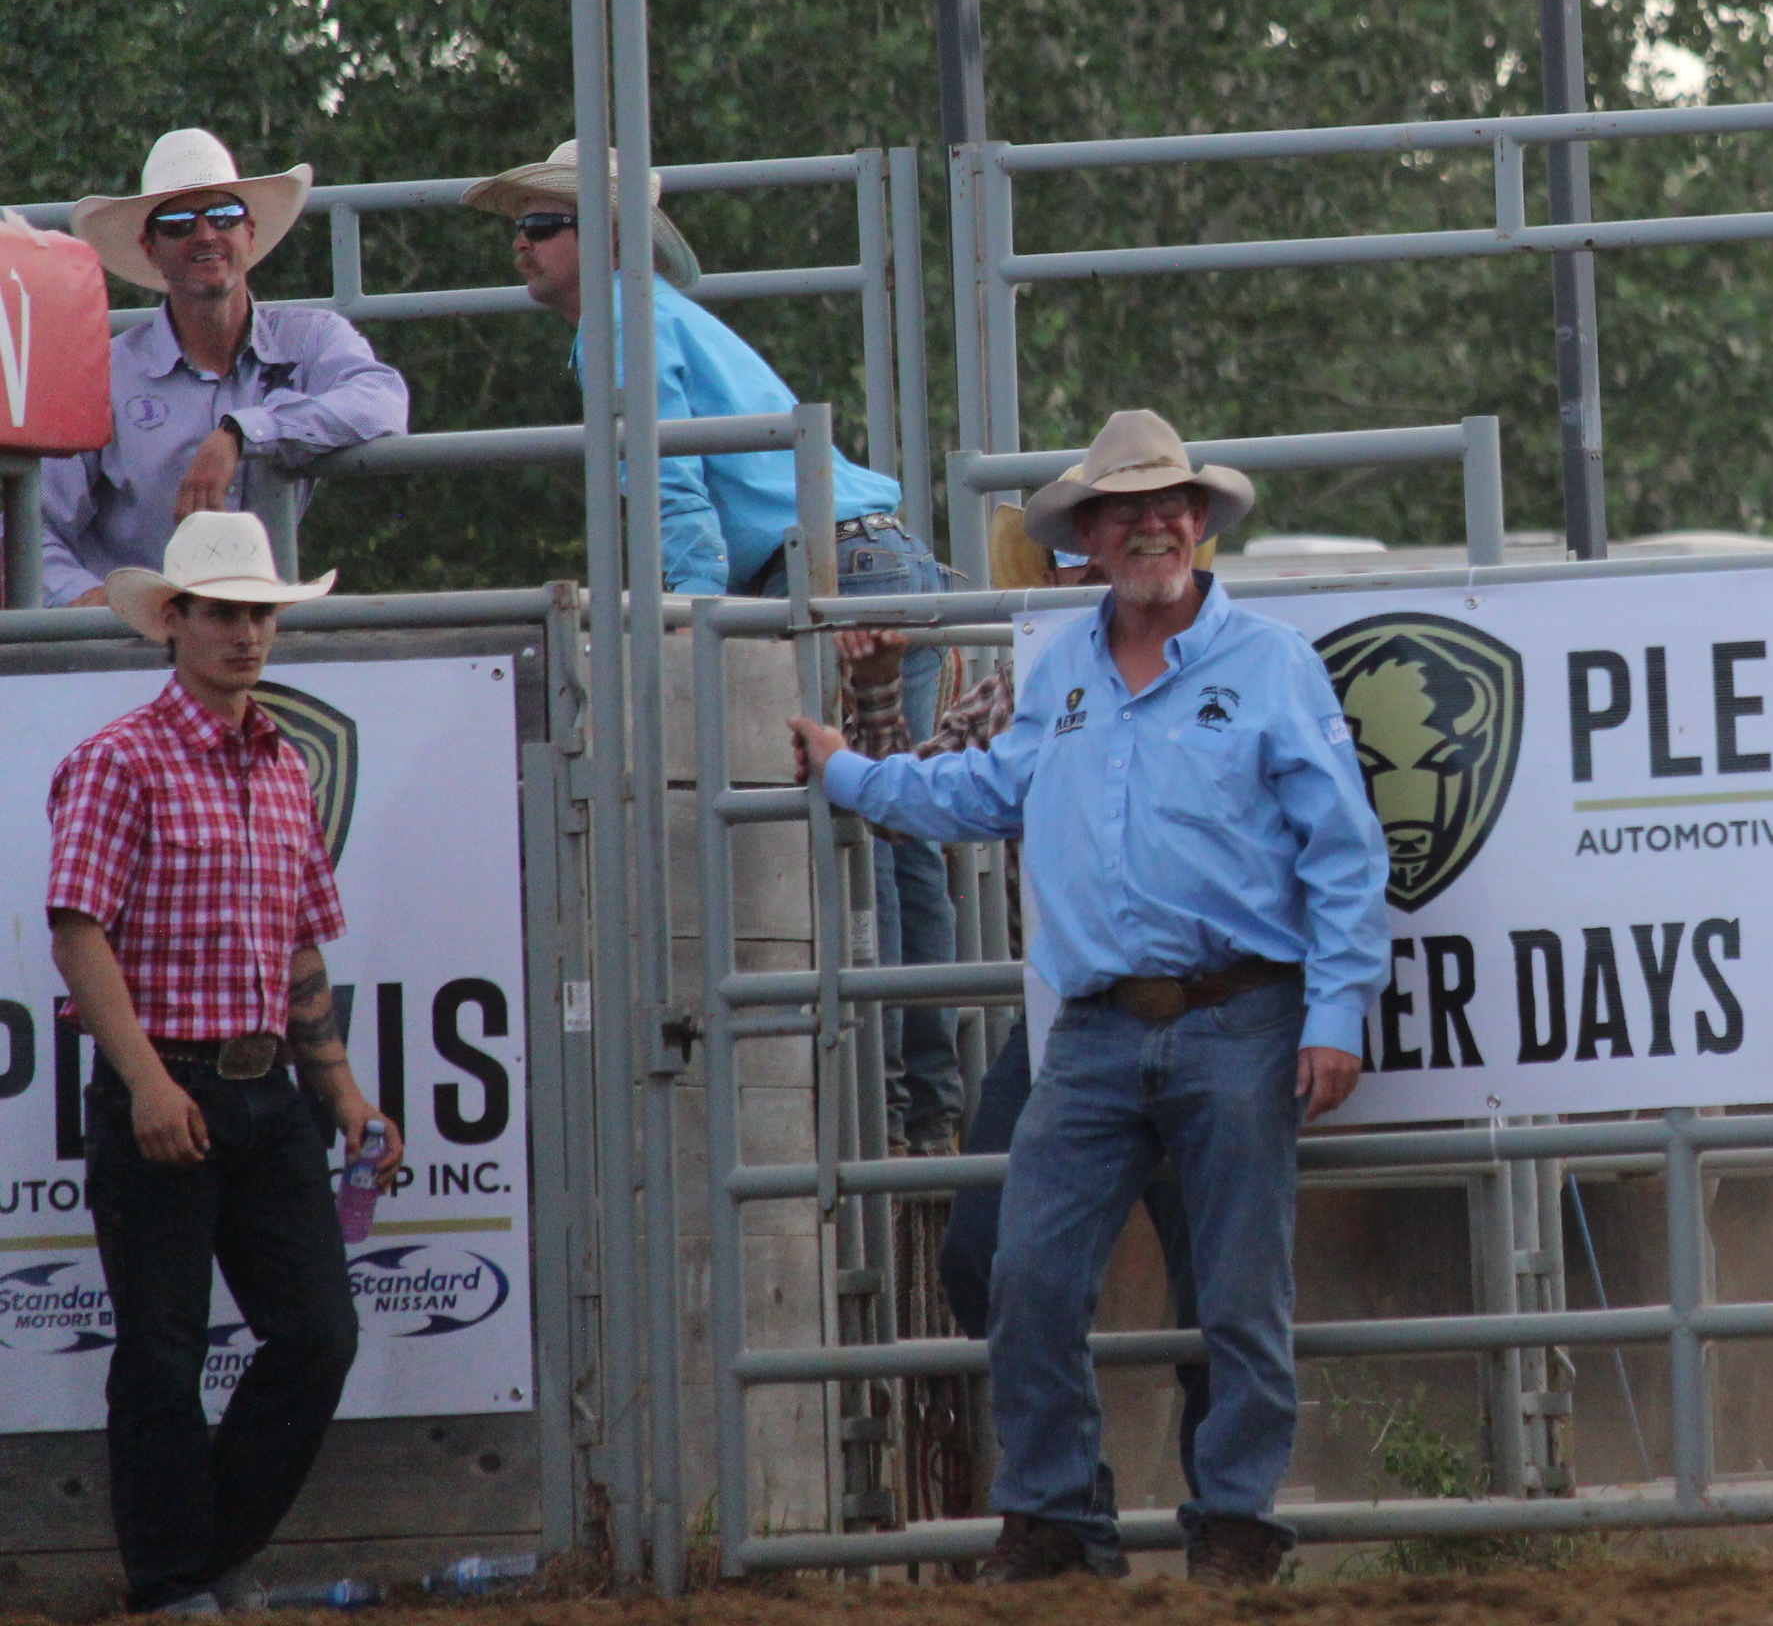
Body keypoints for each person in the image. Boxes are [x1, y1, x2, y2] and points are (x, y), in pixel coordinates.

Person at [789, 409, 1390, 1588]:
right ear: (1092, 537)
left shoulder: (1271, 662)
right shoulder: (1059, 668)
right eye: (1126, 512)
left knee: (1238, 1290)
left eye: (1169, 506)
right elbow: (983, 789)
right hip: (1098, 1025)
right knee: (1026, 1274)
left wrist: (1335, 1013)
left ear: (1199, 522)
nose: (1152, 526)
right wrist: (851, 771)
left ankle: (1231, 1519)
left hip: (1241, 1013)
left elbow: (1344, 853)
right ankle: (1060, 1516)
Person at [465, 141, 965, 1150]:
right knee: (899, 831)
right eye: (521, 226)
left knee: (867, 837)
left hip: (829, 572)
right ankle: (926, 1107)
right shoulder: (653, 313)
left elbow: (673, 488)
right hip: (874, 559)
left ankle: (885, 1116)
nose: (522, 243)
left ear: (607, 237)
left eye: (543, 223)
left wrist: (686, 626)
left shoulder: (618, 320)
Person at [47, 512, 404, 1616]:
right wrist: (148, 1081)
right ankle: (178, 1579)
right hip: (169, 1079)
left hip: (265, 1090)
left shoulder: (284, 765)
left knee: (318, 1335)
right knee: (162, 1350)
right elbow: (77, 932)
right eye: (225, 613)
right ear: (176, 622)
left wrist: (342, 1091)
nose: (248, 633)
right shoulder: (119, 760)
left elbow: (298, 944)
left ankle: (194, 1559)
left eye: (260, 614)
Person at [40, 130, 410, 606]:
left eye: (223, 216)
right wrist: (92, 602)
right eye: (178, 224)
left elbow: (382, 400)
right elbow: (29, 524)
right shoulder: (102, 374)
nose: (205, 235)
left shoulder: (312, 337)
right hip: (133, 634)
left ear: (248, 233)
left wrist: (240, 435)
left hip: (251, 625)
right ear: (150, 248)